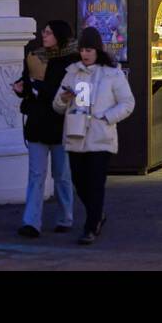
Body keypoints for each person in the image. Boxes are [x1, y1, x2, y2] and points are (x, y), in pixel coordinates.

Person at [53, 27, 134, 245]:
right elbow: (57, 106)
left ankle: (91, 227)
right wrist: (63, 98)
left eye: (89, 49)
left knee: (96, 183)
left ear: (97, 50)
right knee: (80, 183)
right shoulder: (72, 73)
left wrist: (107, 117)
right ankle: (97, 214)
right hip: (76, 136)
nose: (85, 54)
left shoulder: (112, 74)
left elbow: (128, 103)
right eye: (82, 50)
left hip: (100, 138)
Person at [12, 19, 79, 237]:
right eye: (44, 32)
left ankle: (65, 217)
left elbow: (63, 91)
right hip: (38, 123)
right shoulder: (35, 57)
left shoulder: (72, 60)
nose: (44, 35)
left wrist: (38, 87)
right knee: (36, 174)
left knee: (62, 175)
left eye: (49, 33)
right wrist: (21, 89)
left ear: (59, 36)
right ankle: (31, 222)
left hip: (61, 124)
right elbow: (27, 82)